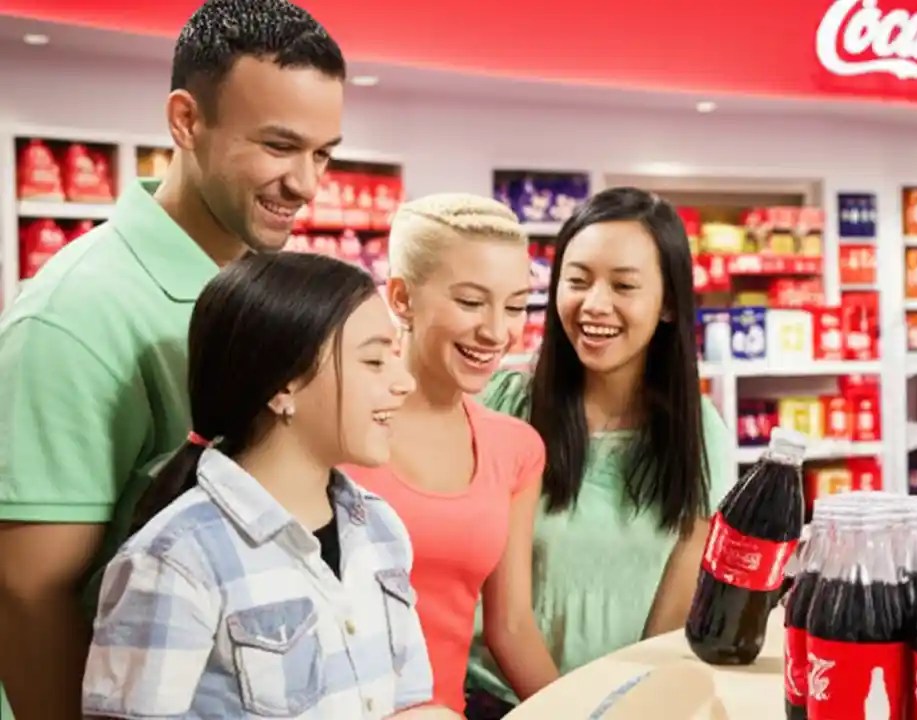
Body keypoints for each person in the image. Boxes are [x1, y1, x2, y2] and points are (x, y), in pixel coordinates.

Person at [0, 1, 346, 717]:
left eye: (323, 153)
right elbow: (26, 591)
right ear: (186, 122)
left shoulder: (262, 292)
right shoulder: (74, 315)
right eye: (280, 146)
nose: (308, 184)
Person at [81, 252, 458, 719]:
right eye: (375, 361)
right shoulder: (177, 560)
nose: (403, 383)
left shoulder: (379, 528)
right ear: (285, 386)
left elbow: (406, 702)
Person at [464, 187, 736, 717]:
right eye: (578, 279)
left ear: (669, 305)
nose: (594, 305)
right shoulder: (507, 405)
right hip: (503, 703)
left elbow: (671, 624)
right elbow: (506, 622)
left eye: (624, 285)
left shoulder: (698, 432)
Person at [344, 194, 560, 716]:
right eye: (470, 302)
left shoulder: (515, 449)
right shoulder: (334, 430)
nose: (496, 331)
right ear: (401, 298)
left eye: (514, 306)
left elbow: (510, 629)